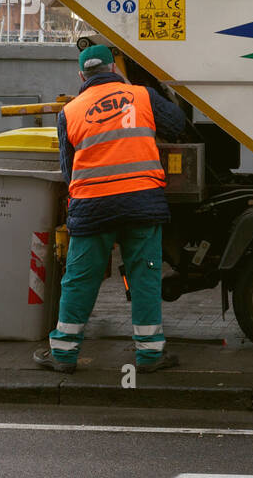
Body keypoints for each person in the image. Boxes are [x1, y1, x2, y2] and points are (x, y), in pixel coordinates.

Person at [34, 44, 186, 374]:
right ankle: (149, 356)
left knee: (79, 280)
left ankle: (63, 354)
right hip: (141, 202)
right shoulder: (141, 96)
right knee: (144, 277)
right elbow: (177, 124)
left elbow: (67, 168)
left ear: (81, 76)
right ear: (113, 69)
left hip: (92, 208)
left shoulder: (69, 113)